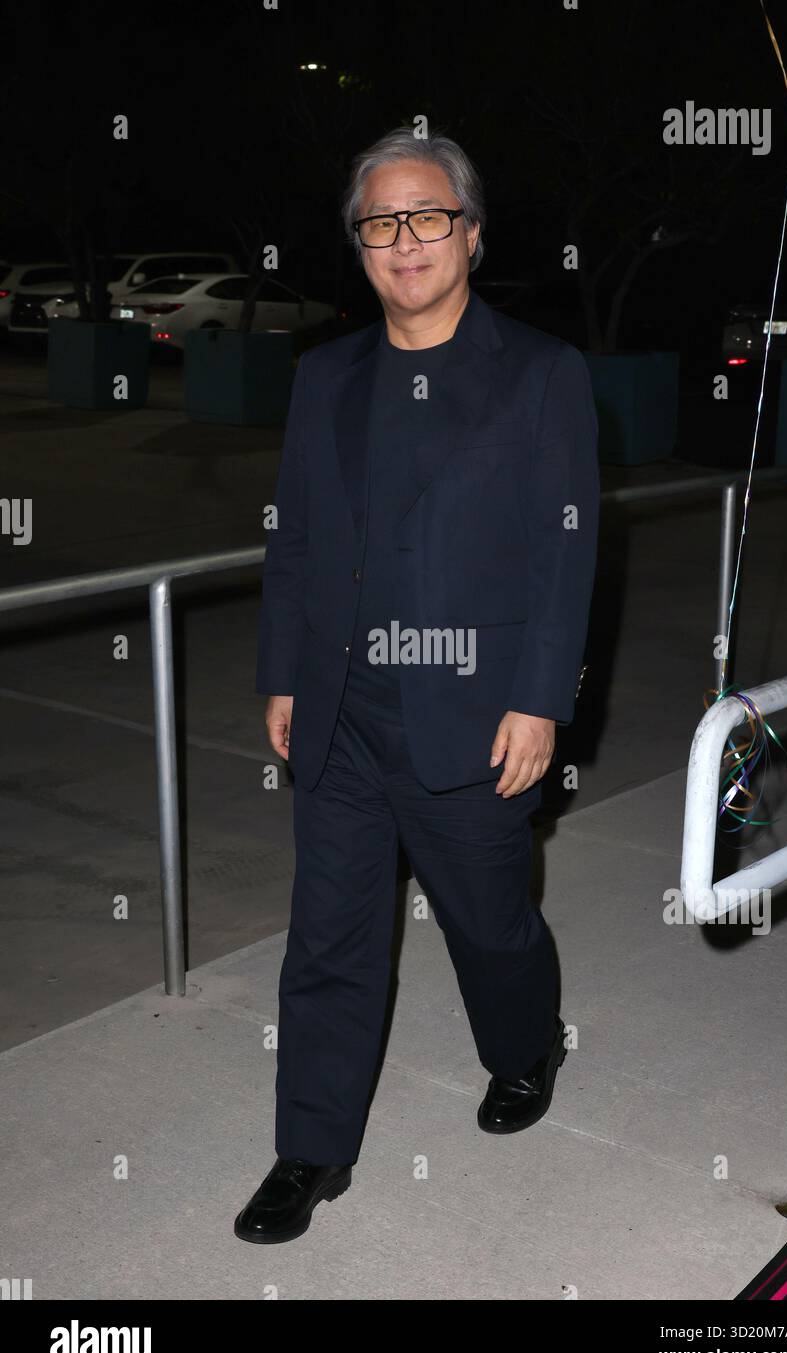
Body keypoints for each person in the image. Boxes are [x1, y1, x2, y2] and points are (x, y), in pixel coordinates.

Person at [235, 126, 599, 1244]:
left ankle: (525, 1043)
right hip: (343, 713)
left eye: (427, 216)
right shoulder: (325, 379)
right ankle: (311, 1146)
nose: (405, 240)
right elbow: (294, 541)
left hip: (478, 715)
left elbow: (566, 547)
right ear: (358, 244)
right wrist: (285, 675)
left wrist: (540, 699)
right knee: (330, 937)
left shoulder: (541, 375)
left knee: (488, 925)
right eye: (380, 221)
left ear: (471, 235)